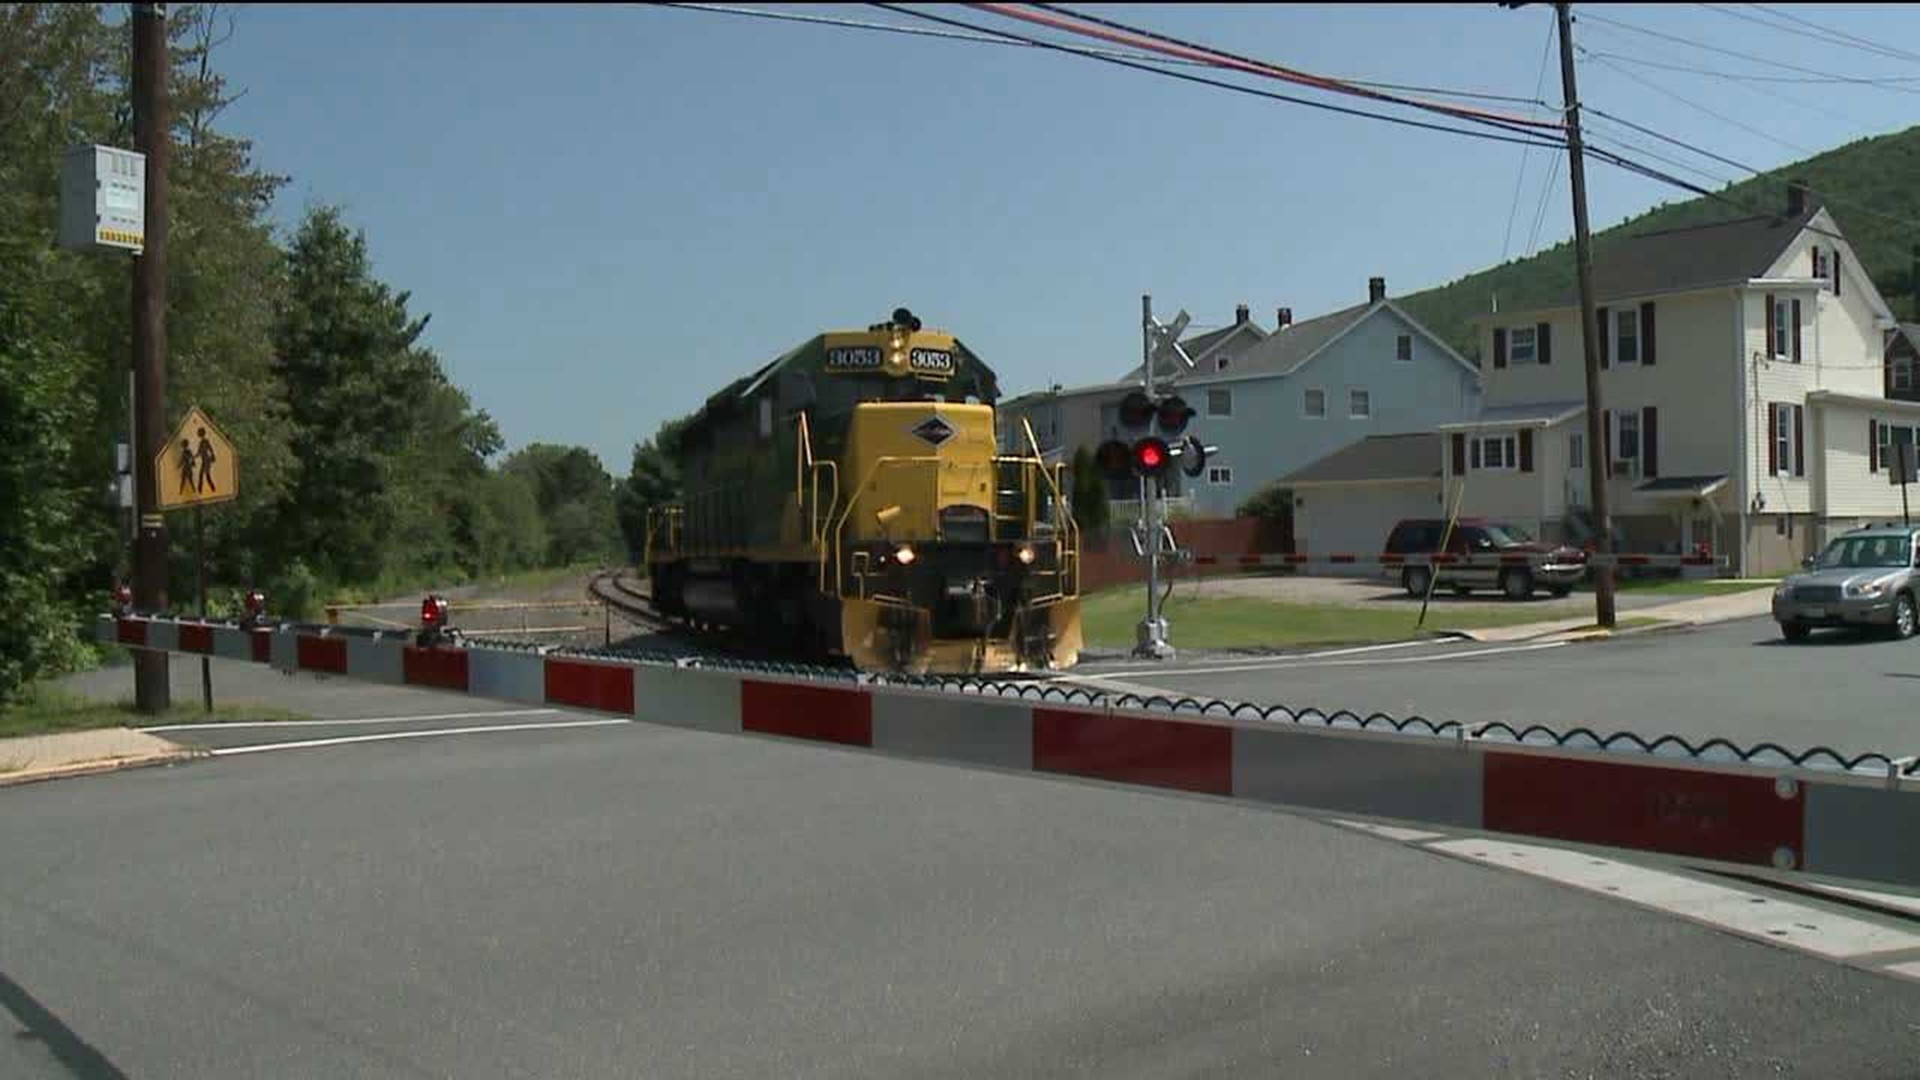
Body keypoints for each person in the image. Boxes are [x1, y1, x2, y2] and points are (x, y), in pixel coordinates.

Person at [195, 427, 217, 493]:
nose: (198, 434)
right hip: (204, 460)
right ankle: (201, 489)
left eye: (199, 432)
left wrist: (212, 456)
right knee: (203, 475)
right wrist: (194, 457)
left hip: (206, 460)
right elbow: (199, 452)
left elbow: (209, 449)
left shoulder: (205, 441)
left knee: (205, 475)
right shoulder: (201, 442)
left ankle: (211, 488)